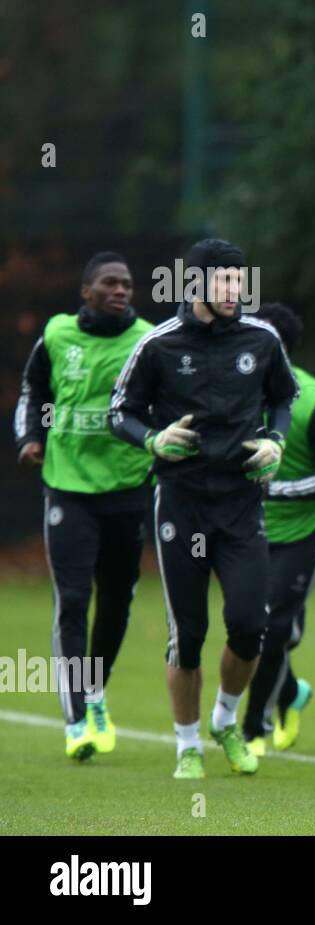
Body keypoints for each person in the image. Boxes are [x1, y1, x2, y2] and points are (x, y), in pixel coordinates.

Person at [110, 238, 299, 779]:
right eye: (223, 281)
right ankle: (186, 745)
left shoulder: (261, 339)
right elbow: (119, 412)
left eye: (240, 281)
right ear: (194, 284)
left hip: (241, 503)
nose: (235, 291)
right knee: (187, 634)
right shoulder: (159, 344)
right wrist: (151, 439)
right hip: (181, 502)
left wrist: (276, 442)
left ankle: (224, 719)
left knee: (248, 625)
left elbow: (283, 397)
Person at [15, 251, 154, 761]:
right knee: (73, 599)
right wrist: (30, 436)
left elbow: (162, 400)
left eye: (128, 284)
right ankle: (76, 716)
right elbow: (35, 389)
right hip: (67, 487)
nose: (121, 291)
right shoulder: (56, 336)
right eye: (110, 283)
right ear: (86, 292)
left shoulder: (147, 339)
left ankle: (96, 690)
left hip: (126, 487)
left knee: (116, 600)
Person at [239, 303, 315, 755]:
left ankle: (253, 728)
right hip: (243, 533)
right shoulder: (232, 393)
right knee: (246, 625)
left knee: (274, 627)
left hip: (302, 531)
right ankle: (291, 691)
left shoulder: (314, 399)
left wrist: (276, 491)